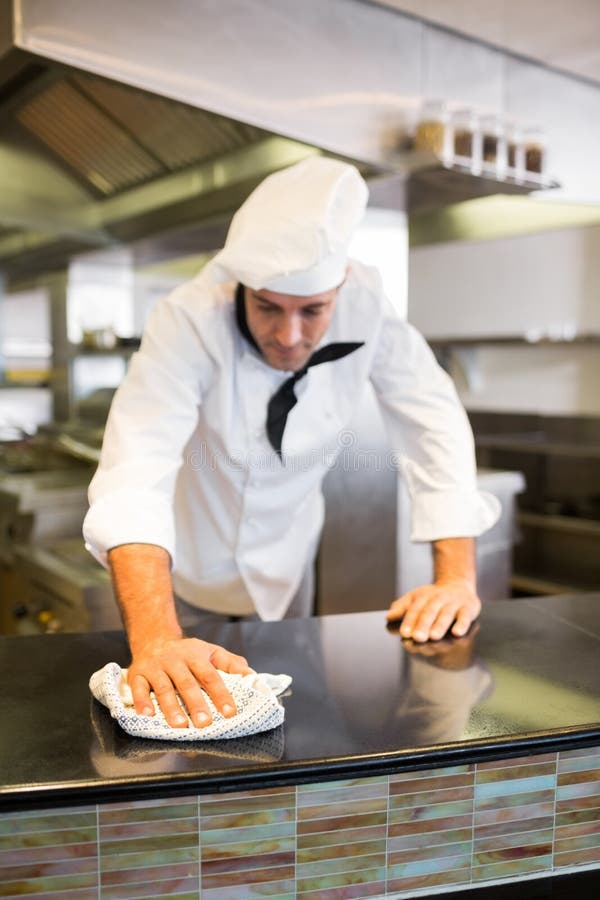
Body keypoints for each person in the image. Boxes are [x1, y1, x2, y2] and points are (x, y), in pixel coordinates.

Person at [83, 156, 500, 730]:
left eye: (313, 310)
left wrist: (455, 575)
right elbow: (137, 465)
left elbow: (433, 417)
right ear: (242, 286)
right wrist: (157, 638)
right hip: (184, 575)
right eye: (267, 307)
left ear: (341, 285)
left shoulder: (367, 305)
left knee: (287, 727)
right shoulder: (187, 318)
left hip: (289, 569)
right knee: (179, 744)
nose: (289, 335)